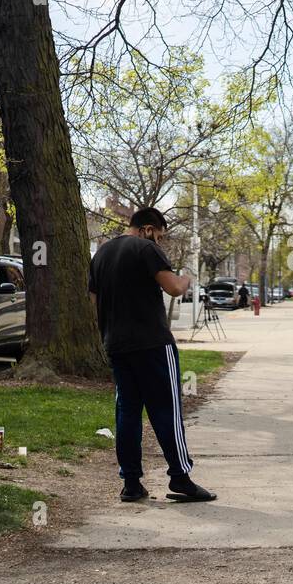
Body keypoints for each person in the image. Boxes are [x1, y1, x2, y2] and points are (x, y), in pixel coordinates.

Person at [88, 207, 216, 504]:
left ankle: (131, 483)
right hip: (153, 344)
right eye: (159, 235)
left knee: (127, 412)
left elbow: (95, 298)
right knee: (165, 409)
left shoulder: (101, 255)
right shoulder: (146, 248)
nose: (159, 241)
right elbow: (172, 288)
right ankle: (180, 478)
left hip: (116, 344)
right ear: (147, 229)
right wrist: (186, 279)